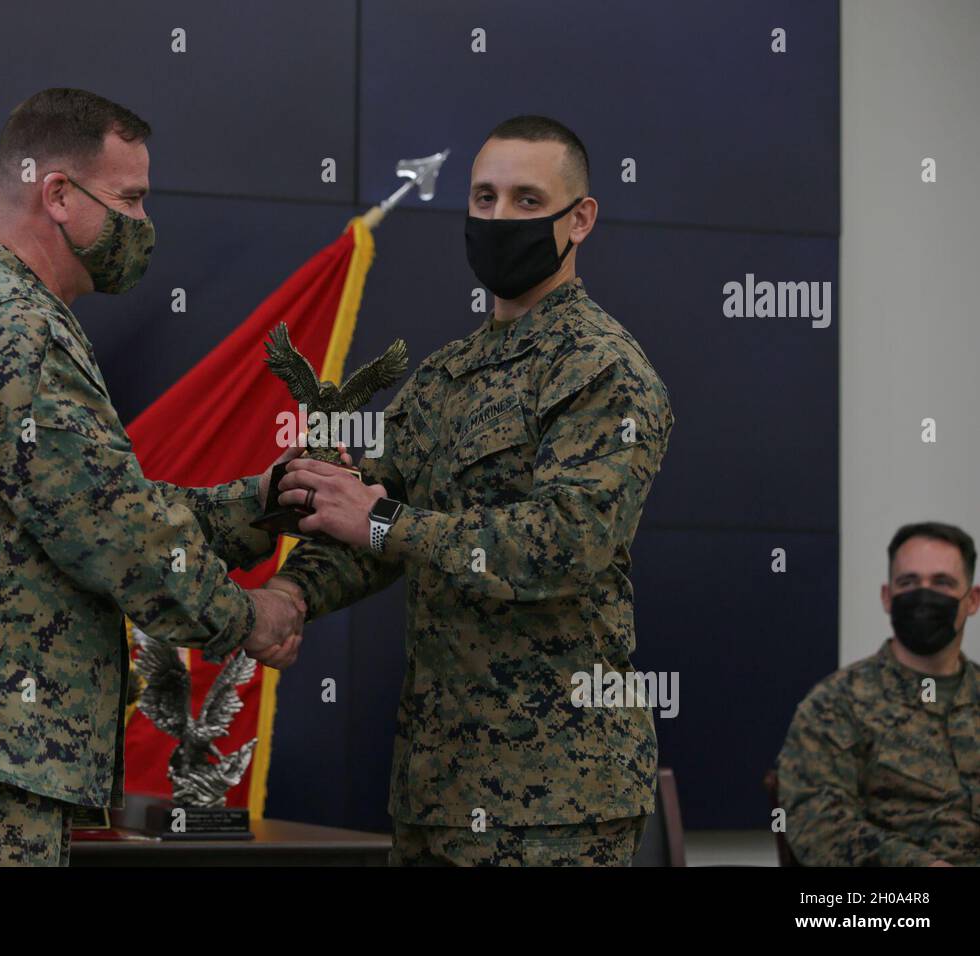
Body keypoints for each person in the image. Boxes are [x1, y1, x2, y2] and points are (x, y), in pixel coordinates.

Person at [0, 88, 304, 866]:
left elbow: (102, 505)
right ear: (57, 193)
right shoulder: (9, 322)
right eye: (129, 200)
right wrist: (242, 619)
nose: (143, 227)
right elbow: (110, 531)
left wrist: (261, 505)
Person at [259, 115, 675, 866]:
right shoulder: (447, 374)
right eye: (483, 199)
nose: (498, 219)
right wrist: (289, 596)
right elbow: (360, 519)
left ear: (579, 219)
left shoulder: (602, 371)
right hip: (434, 785)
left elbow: (563, 545)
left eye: (525, 200)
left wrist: (385, 523)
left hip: (555, 798)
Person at [777, 521, 980, 866]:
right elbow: (817, 824)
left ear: (972, 600)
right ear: (887, 597)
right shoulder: (835, 704)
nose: (924, 595)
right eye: (909, 582)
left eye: (942, 583)